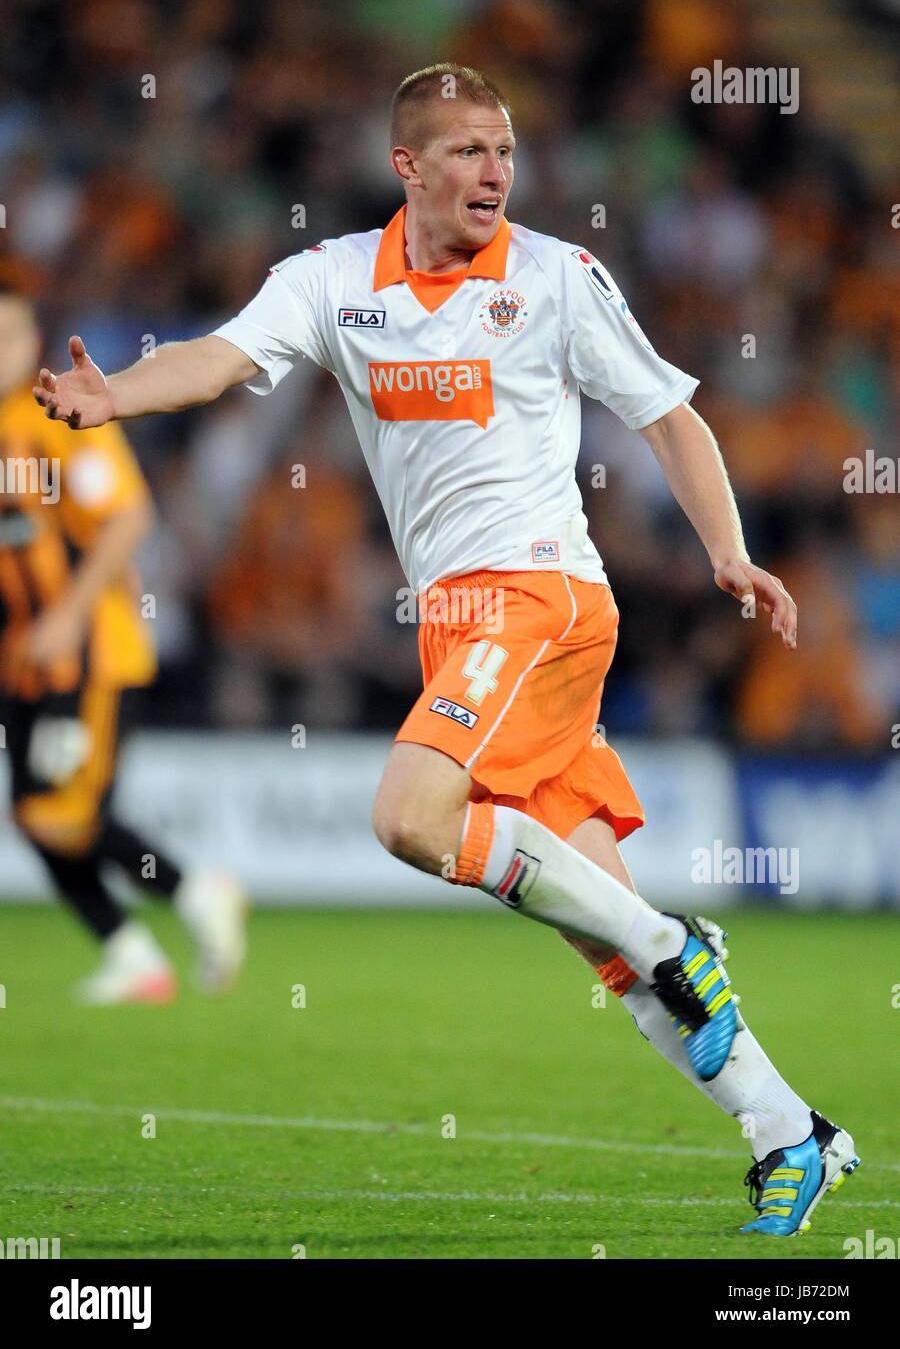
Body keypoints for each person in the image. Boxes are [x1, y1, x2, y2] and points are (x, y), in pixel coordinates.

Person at [33, 64, 858, 1234]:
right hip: (459, 628)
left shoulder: (555, 276)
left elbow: (667, 414)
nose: (495, 172)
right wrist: (115, 394)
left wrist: (726, 548)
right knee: (602, 936)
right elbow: (218, 354)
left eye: (507, 151)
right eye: (468, 151)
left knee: (410, 817)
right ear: (407, 167)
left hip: (545, 598)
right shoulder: (330, 283)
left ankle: (678, 943)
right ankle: (791, 1132)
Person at [0, 284, 246, 1002]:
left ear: (32, 342)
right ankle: (134, 952)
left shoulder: (55, 419)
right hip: (26, 663)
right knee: (38, 816)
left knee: (60, 814)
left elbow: (128, 516)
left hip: (90, 658)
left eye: (10, 335)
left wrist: (71, 614)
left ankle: (196, 891)